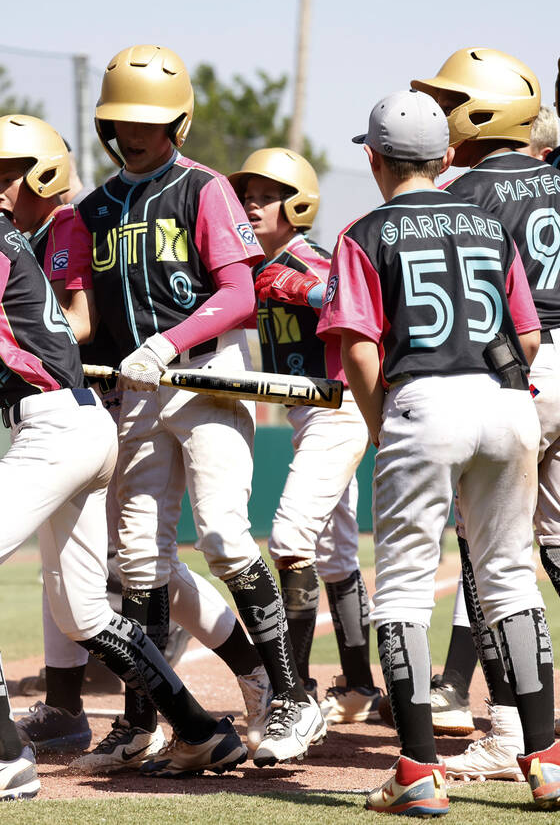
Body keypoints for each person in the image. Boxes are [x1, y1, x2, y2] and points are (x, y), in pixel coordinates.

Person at [0, 130, 246, 802]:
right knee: (85, 610)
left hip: (54, 429)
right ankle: (201, 729)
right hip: (82, 423)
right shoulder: (4, 239)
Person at [50, 44, 323, 767]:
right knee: (139, 563)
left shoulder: (206, 189)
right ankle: (142, 724)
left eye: (152, 120)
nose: (136, 133)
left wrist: (168, 345)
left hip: (208, 378)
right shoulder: (94, 209)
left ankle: (291, 694)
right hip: (134, 391)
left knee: (228, 539)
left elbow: (239, 295)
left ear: (180, 121)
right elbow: (88, 319)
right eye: (122, 121)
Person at [0, 114, 271, 769]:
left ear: (40, 176)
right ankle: (92, 711)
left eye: (3, 178)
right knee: (100, 567)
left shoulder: (68, 225)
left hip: (112, 407)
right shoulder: (46, 230)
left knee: (135, 564)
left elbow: (73, 327)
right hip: (104, 404)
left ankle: (241, 686)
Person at [319, 88, 559, 815]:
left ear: (372, 158)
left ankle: (419, 772)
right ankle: (547, 763)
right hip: (507, 401)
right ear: (446, 155)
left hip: (424, 402)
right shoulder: (491, 227)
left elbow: (360, 348)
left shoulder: (363, 232)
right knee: (512, 580)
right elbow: (527, 338)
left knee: (400, 587)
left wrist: (381, 419)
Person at [409, 48, 560, 782]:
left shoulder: (464, 191)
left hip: (517, 369)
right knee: (556, 544)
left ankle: (508, 727)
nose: (441, 114)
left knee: (489, 553)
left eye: (450, 101)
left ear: (479, 112)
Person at [227, 148, 381, 723]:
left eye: (265, 197)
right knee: (337, 553)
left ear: (299, 205)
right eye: (247, 196)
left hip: (336, 410)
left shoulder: (308, 257)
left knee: (291, 538)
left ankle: (293, 692)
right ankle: (360, 686)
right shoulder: (259, 267)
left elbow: (337, 294)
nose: (250, 205)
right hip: (310, 415)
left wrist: (300, 287)